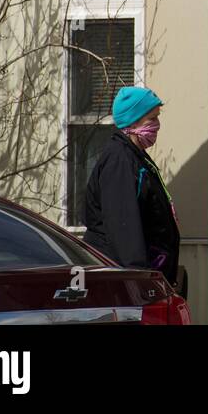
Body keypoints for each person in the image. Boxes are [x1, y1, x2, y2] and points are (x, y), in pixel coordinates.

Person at [83, 86, 182, 292]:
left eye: (157, 118)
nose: (158, 125)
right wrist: (140, 280)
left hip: (147, 273)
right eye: (151, 119)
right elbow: (124, 228)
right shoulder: (120, 161)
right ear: (133, 122)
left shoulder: (135, 156)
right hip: (123, 282)